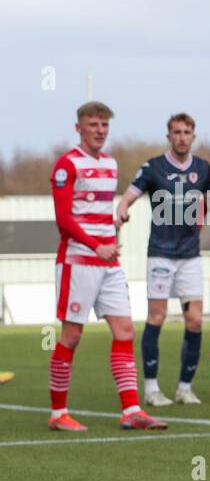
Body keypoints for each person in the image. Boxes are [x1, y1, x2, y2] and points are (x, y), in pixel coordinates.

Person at [48, 102, 165, 431]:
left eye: (104, 125)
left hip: (108, 261)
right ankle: (58, 414)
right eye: (93, 124)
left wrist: (114, 225)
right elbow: (64, 219)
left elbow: (96, 213)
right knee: (71, 336)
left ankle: (131, 410)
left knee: (125, 330)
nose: (100, 130)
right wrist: (96, 244)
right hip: (78, 262)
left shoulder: (111, 164)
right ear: (79, 128)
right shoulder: (66, 165)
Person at [114, 113, 210, 405]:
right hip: (160, 254)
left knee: (195, 321)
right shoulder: (154, 167)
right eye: (176, 132)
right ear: (168, 136)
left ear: (194, 136)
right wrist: (121, 208)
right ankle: (151, 389)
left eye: (187, 132)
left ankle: (184, 388)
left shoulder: (203, 169)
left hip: (190, 256)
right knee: (157, 317)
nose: (182, 137)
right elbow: (129, 195)